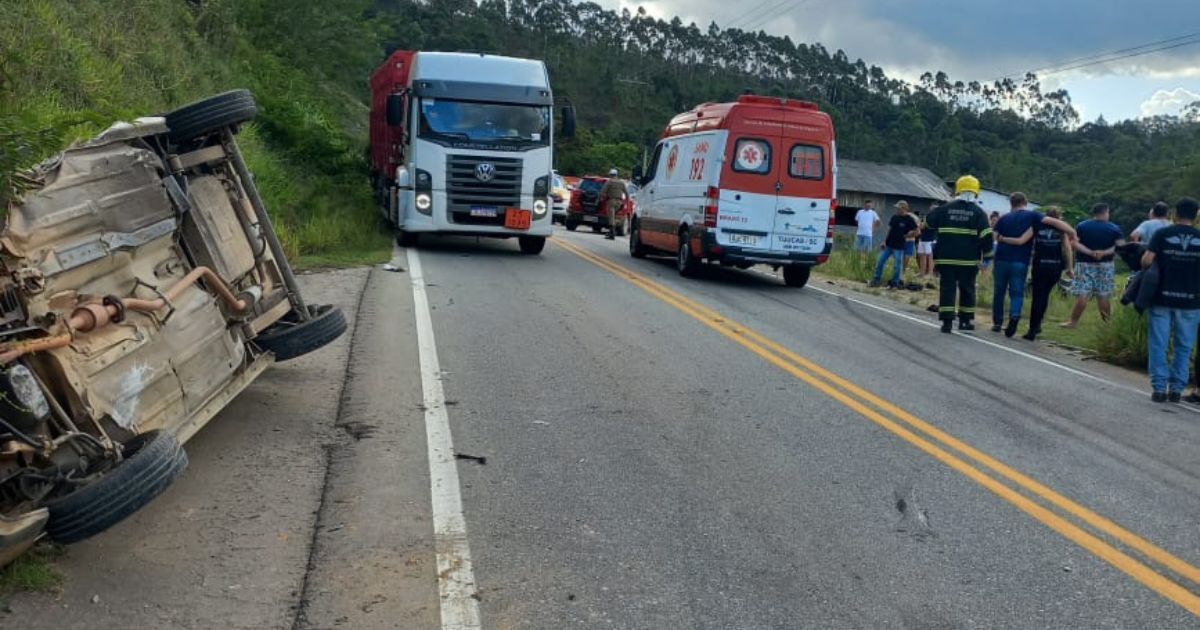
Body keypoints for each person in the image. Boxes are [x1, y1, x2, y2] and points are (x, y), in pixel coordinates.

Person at [991, 192, 1076, 336]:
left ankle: (999, 323)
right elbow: (1066, 246)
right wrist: (1072, 233)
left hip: (1010, 261)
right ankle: (1018, 319)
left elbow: (1003, 238)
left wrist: (1003, 239)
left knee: (1001, 292)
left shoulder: (1007, 219)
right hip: (1033, 263)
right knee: (1020, 293)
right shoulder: (1037, 219)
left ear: (1011, 203)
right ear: (1025, 202)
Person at [1141, 197, 1200, 402]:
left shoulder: (1162, 234)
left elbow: (1147, 260)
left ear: (1175, 213)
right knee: (1184, 345)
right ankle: (1176, 389)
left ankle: (1159, 388)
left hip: (1162, 298)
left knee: (1159, 343)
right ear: (1196, 215)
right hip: (1191, 300)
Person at [925, 175, 994, 333]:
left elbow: (928, 223)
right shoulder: (979, 213)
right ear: (976, 192)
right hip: (968, 261)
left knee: (947, 289)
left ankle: (947, 323)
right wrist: (987, 257)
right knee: (967, 289)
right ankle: (965, 321)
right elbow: (986, 236)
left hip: (946, 258)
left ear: (958, 190)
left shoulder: (944, 209)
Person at [1062, 203, 1125, 327]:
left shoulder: (1082, 226)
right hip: (1106, 265)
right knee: (1103, 295)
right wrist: (1103, 252)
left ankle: (1073, 322)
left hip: (1084, 264)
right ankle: (1107, 324)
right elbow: (1121, 247)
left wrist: (1090, 252)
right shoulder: (1115, 228)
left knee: (1082, 293)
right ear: (1106, 212)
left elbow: (1074, 243)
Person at [1023, 206, 1075, 341]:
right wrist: (1069, 268)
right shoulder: (1061, 230)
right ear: (1059, 217)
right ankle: (1038, 324)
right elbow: (1068, 249)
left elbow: (1024, 240)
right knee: (1045, 295)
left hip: (1039, 266)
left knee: (1037, 297)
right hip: (1055, 267)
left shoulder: (1037, 226)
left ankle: (1032, 329)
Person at [871, 200, 918, 288]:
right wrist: (884, 241)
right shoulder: (894, 217)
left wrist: (908, 235)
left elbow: (917, 231)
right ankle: (876, 280)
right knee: (880, 262)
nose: (896, 210)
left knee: (897, 266)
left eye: (898, 208)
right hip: (889, 245)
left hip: (899, 246)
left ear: (903, 209)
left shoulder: (909, 219)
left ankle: (895, 283)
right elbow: (889, 230)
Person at [598, 168, 627, 240]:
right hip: (619, 202)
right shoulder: (621, 182)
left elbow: (603, 191)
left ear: (611, 175)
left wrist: (600, 198)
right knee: (614, 217)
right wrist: (626, 201)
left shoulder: (609, 182)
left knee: (611, 217)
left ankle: (612, 233)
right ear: (616, 175)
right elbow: (626, 193)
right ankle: (612, 231)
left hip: (611, 201)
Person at [917, 207, 938, 282]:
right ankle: (922, 273)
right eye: (931, 209)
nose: (931, 210)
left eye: (933, 209)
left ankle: (930, 273)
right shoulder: (927, 217)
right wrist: (920, 224)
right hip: (922, 239)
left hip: (930, 240)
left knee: (930, 257)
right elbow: (920, 227)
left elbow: (922, 226)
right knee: (922, 256)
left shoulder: (937, 218)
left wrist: (920, 224)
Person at [979, 211, 1000, 279]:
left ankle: (987, 277)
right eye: (993, 220)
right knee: (986, 263)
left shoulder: (1000, 228)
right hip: (989, 247)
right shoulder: (988, 228)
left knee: (994, 264)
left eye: (995, 220)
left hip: (997, 247)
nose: (994, 222)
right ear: (990, 220)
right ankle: (984, 276)